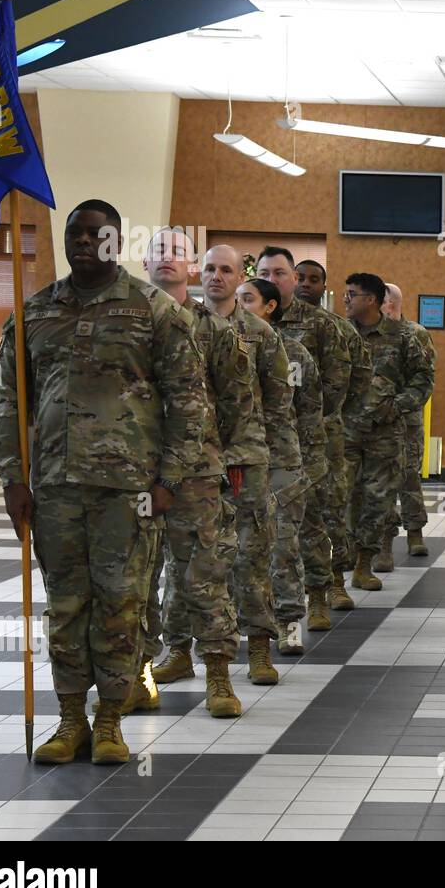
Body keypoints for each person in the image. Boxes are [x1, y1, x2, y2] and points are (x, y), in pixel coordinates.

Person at [0, 199, 206, 765]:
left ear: (116, 241)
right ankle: (69, 721)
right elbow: (9, 400)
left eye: (96, 234)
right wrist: (13, 477)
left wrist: (170, 479)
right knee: (65, 606)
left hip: (129, 489)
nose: (84, 243)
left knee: (121, 603)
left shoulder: (154, 310)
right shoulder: (34, 311)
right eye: (75, 234)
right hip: (57, 487)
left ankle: (109, 720)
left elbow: (189, 399)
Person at [160, 243, 299, 688]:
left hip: (244, 461)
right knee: (182, 559)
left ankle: (258, 648)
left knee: (251, 554)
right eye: (209, 269)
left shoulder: (260, 334)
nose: (216, 276)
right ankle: (179, 649)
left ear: (243, 278)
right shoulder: (180, 327)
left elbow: (279, 405)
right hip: (191, 461)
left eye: (226, 270)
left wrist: (280, 465)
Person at [142, 230, 251, 719]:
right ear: (144, 261)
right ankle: (149, 666)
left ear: (192, 268)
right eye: (158, 252)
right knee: (140, 577)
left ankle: (219, 675)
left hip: (197, 473)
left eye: (177, 254)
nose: (167, 260)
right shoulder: (128, 320)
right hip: (134, 471)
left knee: (204, 573)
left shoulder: (215, 331)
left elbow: (238, 402)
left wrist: (228, 459)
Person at [258, 248, 350, 630]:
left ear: (293, 278)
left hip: (307, 443)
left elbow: (339, 381)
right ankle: (266, 610)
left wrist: (311, 426)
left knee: (312, 524)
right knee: (263, 531)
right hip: (255, 447)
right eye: (264, 272)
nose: (272, 278)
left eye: (280, 272)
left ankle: (319, 595)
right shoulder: (240, 327)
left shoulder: (321, 325)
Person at [238, 277, 325, 656]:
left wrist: (309, 461)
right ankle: (239, 630)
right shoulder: (223, 346)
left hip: (283, 462)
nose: (239, 305)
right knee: (239, 550)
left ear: (270, 306)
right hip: (238, 462)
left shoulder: (294, 354)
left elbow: (310, 410)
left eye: (248, 298)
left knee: (284, 547)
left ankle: (290, 626)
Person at [295, 257, 370, 611]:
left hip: (323, 435)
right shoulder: (263, 324)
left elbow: (354, 382)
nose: (305, 284)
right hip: (274, 439)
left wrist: (332, 416)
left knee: (330, 510)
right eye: (299, 277)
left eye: (314, 279)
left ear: (325, 286)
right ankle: (297, 596)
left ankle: (336, 582)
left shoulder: (335, 327)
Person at [343, 272, 414, 590]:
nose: (345, 299)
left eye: (351, 294)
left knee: (377, 500)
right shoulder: (338, 334)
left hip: (384, 435)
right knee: (341, 499)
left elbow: (422, 379)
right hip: (343, 432)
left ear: (371, 299)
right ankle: (335, 570)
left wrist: (395, 407)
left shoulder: (402, 337)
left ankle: (364, 563)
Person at [380, 282, 438, 554]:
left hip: (406, 420)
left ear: (389, 303)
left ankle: (415, 533)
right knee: (377, 481)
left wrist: (396, 405)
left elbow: (424, 378)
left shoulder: (415, 334)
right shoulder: (363, 334)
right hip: (373, 423)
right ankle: (383, 540)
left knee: (409, 476)